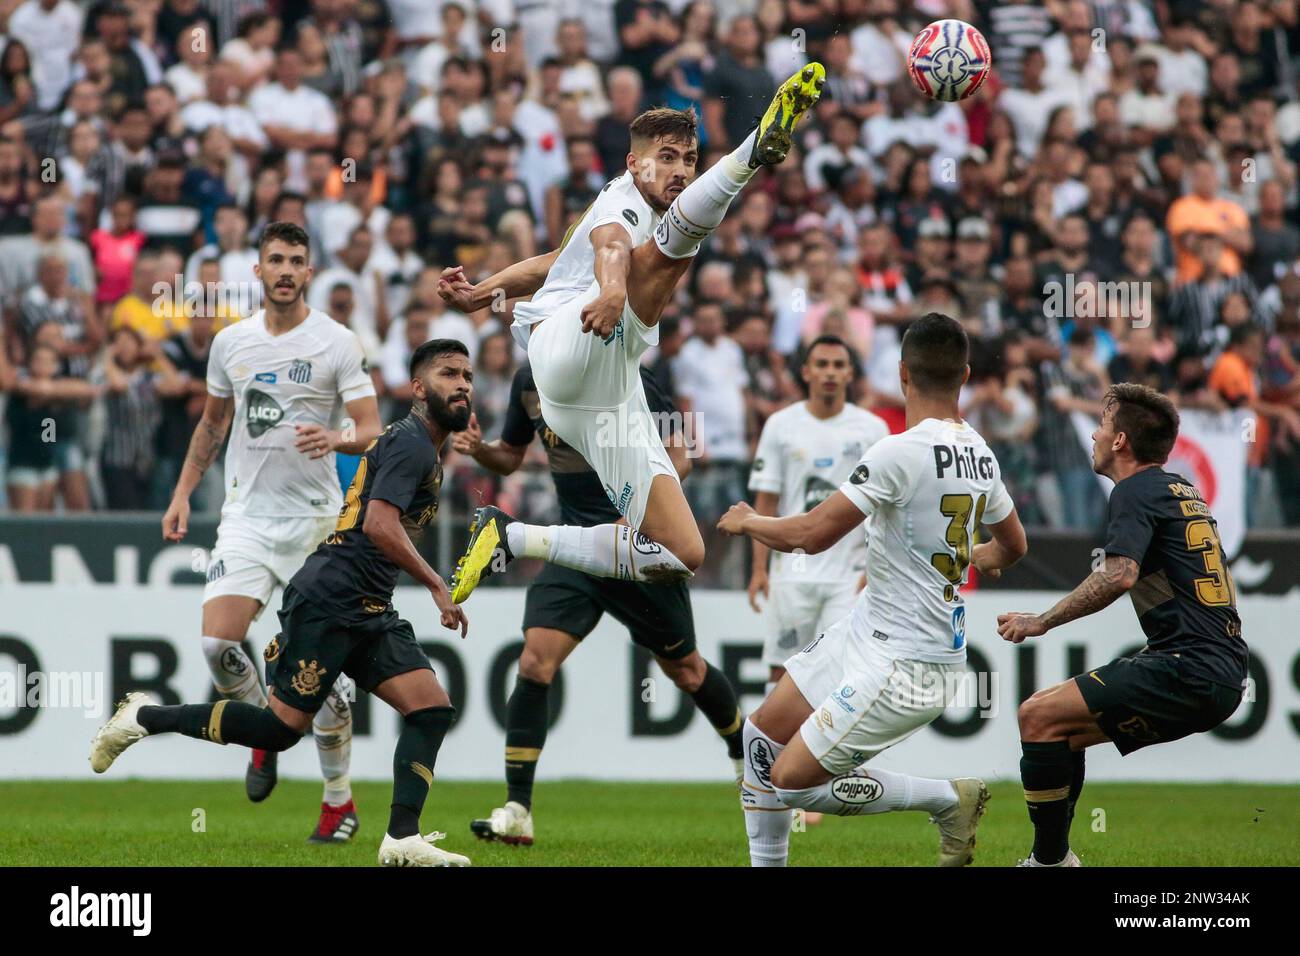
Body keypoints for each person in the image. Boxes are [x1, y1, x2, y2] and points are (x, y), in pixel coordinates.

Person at [439, 64, 827, 602]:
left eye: (689, 160)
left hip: (602, 396)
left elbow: (555, 261)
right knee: (665, 258)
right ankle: (754, 149)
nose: (680, 171)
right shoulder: (621, 201)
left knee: (680, 552)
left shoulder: (626, 209)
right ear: (633, 162)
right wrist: (613, 290)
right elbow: (612, 248)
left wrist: (482, 292)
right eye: (666, 158)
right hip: (568, 342)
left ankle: (510, 535)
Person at [92, 339, 475, 868]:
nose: (462, 385)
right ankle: (144, 716)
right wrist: (436, 583)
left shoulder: (419, 444)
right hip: (330, 598)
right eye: (449, 374)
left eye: (468, 376)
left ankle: (400, 840)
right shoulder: (412, 444)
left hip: (367, 605)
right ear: (417, 388)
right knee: (279, 732)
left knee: (430, 708)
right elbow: (379, 525)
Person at [716, 313, 1029, 867]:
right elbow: (1014, 545)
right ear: (965, 375)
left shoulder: (896, 452)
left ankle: (945, 799)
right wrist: (966, 558)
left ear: (903, 374)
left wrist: (749, 523)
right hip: (869, 631)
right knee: (759, 738)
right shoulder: (979, 451)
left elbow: (812, 535)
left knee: (789, 783)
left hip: (909, 662)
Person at [452, 362, 747, 844]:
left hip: (635, 546)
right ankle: (517, 810)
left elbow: (683, 451)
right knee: (534, 663)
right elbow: (509, 456)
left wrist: (651, 509)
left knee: (687, 671)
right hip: (574, 546)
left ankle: (746, 759)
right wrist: (479, 449)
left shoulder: (626, 370)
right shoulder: (530, 381)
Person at [159, 222, 382, 843]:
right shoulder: (231, 343)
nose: (285, 270)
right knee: (215, 647)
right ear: (257, 270)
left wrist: (335, 437)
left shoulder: (338, 343)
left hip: (317, 526)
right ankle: (264, 732)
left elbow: (370, 426)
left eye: (297, 261)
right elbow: (211, 425)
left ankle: (338, 803)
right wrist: (181, 494)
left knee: (329, 684)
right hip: (248, 520)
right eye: (275, 260)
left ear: (309, 272)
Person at [998, 383, 1248, 867]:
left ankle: (1049, 863)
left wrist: (1041, 621)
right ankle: (1052, 860)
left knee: (1037, 716)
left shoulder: (1135, 491)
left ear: (1120, 442)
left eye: (1102, 424)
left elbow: (1120, 574)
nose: (1093, 434)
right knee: (1057, 730)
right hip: (1221, 669)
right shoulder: (1181, 490)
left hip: (1188, 666)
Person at [747, 334, 888, 689]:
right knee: (782, 672)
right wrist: (759, 569)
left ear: (850, 374)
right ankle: (776, 746)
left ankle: (826, 745)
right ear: (806, 372)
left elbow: (886, 508)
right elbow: (767, 502)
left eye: (838, 365)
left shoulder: (873, 429)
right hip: (793, 572)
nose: (830, 372)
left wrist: (877, 566)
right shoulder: (781, 424)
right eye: (822, 364)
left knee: (843, 675)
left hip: (850, 575)